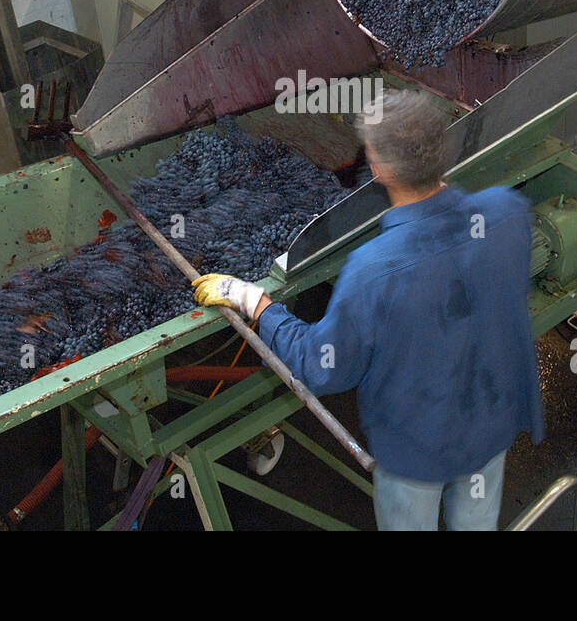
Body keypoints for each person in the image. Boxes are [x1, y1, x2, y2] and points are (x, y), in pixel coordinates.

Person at [192, 89, 544, 530]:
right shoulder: (508, 211)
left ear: (377, 169)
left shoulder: (374, 269)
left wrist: (253, 301)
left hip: (417, 450)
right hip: (493, 423)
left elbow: (321, 368)